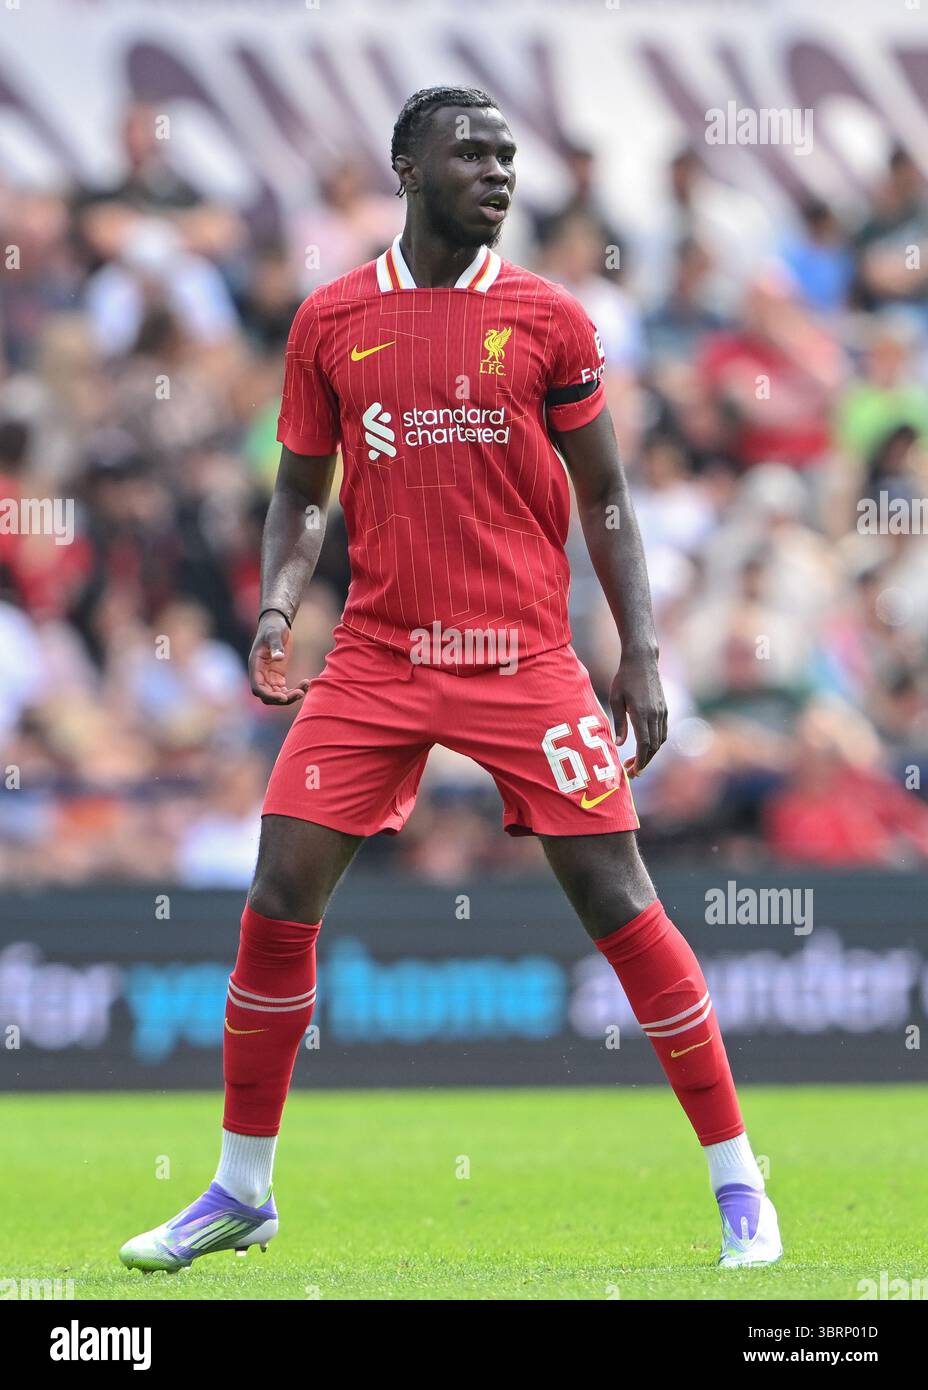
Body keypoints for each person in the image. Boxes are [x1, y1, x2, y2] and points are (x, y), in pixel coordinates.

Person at [119, 86, 781, 1275]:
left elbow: (608, 498)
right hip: (375, 654)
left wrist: (639, 646)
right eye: (471, 151)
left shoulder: (548, 319)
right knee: (278, 891)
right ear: (407, 167)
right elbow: (295, 490)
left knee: (619, 901)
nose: (498, 170)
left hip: (523, 655)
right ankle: (239, 1187)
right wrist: (277, 602)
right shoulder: (330, 320)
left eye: (508, 154)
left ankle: (741, 1183)